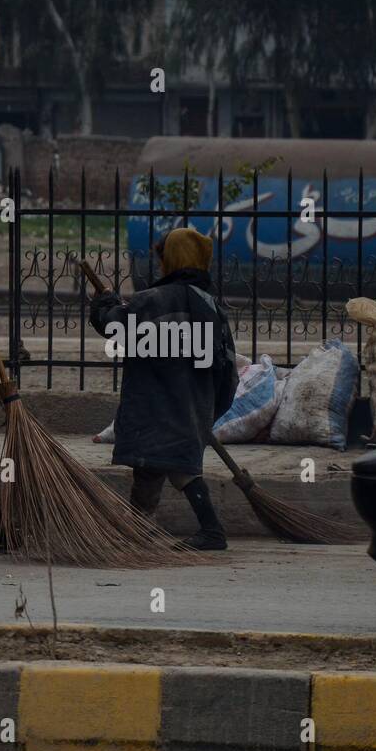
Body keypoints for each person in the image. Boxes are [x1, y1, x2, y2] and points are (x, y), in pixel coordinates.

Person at [89, 227, 238, 550]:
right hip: (192, 406)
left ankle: (211, 531)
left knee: (171, 467)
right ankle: (138, 527)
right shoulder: (211, 307)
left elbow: (114, 325)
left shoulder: (152, 301)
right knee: (154, 465)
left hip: (153, 404)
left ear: (171, 261)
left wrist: (103, 304)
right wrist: (212, 409)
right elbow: (228, 368)